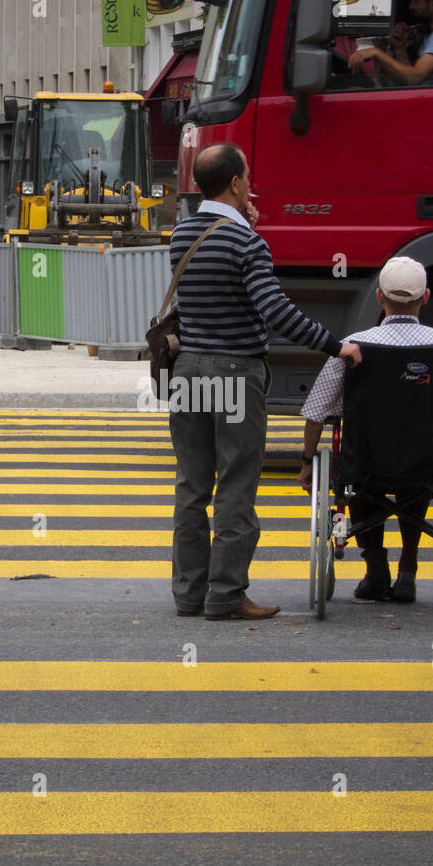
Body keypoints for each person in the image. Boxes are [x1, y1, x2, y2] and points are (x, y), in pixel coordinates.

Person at [169, 143, 362, 621]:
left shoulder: (181, 234)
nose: (251, 183)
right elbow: (274, 310)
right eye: (247, 177)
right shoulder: (247, 242)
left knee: (192, 486)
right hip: (234, 371)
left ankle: (189, 594)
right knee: (235, 485)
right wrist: (336, 346)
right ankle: (226, 595)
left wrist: (243, 224)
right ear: (235, 183)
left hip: (187, 370)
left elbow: (214, 285)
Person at [298, 257, 433, 602]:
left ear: (379, 297)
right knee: (420, 462)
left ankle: (376, 569)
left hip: (366, 460)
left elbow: (316, 411)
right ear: (425, 297)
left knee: (361, 469)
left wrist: (307, 461)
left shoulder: (353, 345)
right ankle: (408, 568)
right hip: (424, 461)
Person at [346, 0, 433, 88]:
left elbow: (414, 78)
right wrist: (400, 48)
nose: (411, 6)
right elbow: (408, 77)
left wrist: (377, 53)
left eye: (416, 0)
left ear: (432, 4)